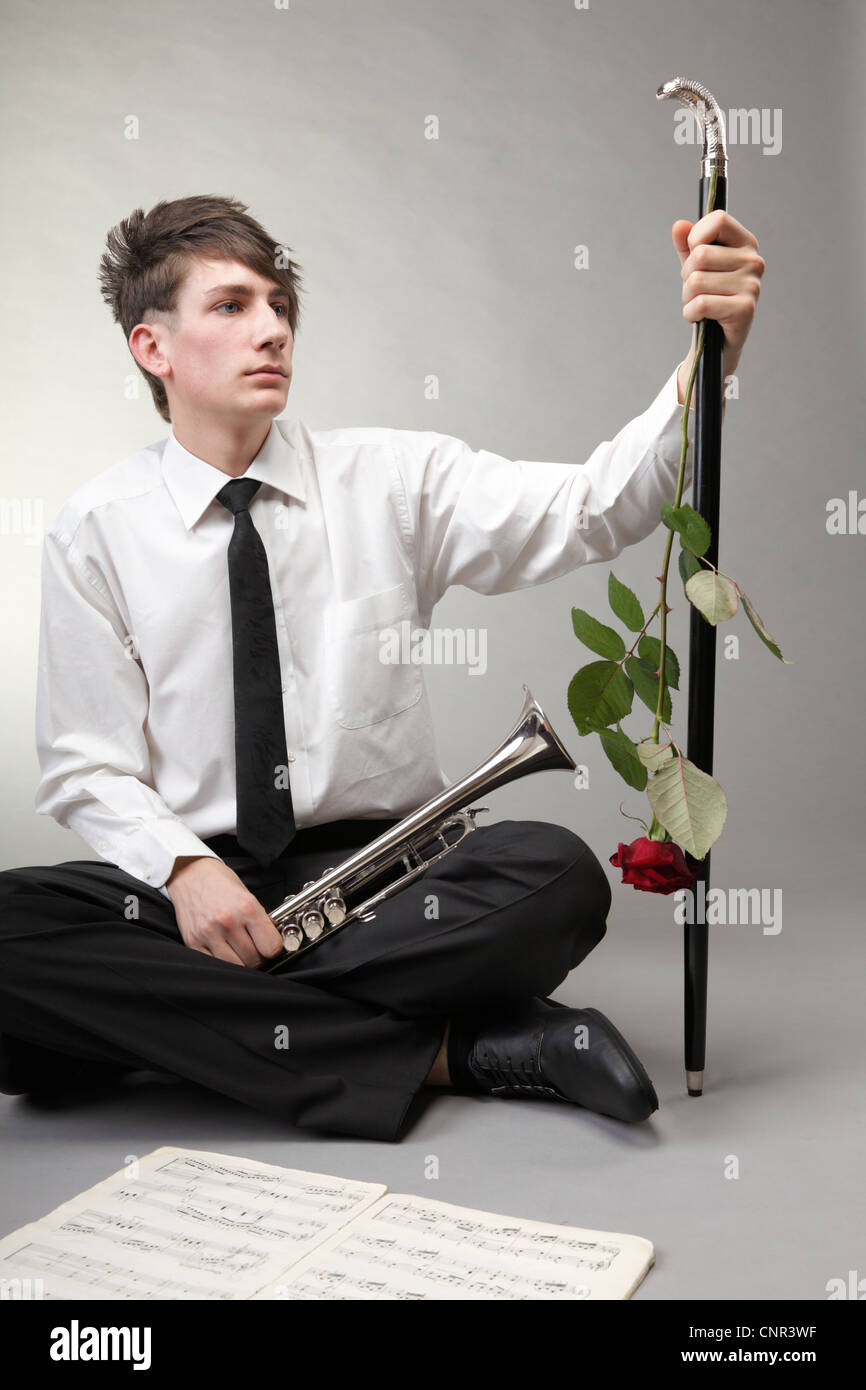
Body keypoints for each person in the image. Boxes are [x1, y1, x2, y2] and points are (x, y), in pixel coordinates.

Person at [0, 195, 764, 1141]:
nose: (272, 327)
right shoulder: (93, 531)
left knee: (554, 876)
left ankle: (161, 1026)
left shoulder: (396, 479)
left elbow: (594, 510)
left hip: (393, 885)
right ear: (151, 348)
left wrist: (709, 357)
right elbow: (84, 764)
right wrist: (186, 869)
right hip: (193, 890)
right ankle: (472, 1051)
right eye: (234, 306)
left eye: (279, 304)